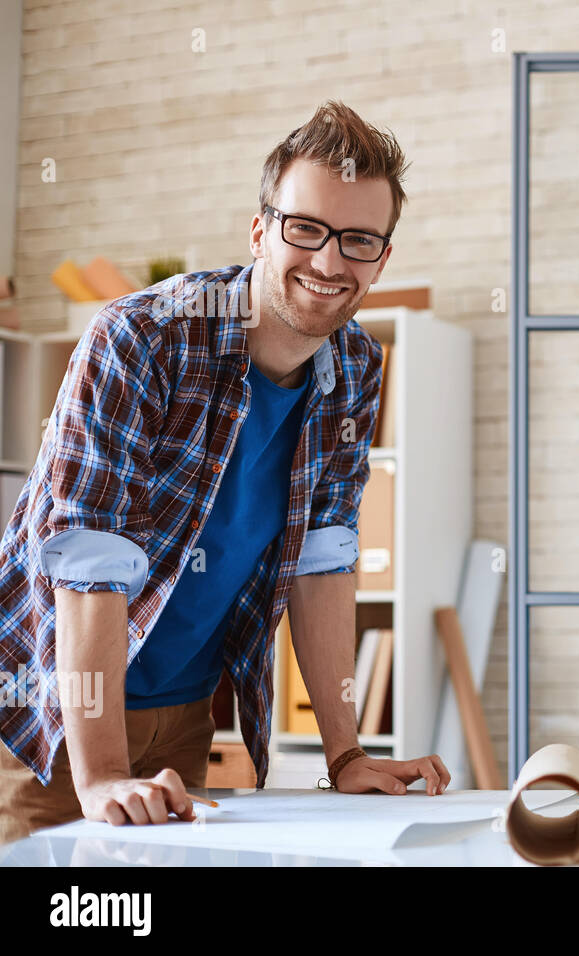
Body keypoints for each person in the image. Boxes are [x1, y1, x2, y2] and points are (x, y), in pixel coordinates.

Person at [0, 100, 450, 845]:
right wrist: (103, 772)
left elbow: (324, 558)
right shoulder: (142, 339)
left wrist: (345, 755)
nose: (330, 262)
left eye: (359, 240)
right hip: (43, 717)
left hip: (182, 714)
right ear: (260, 230)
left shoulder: (357, 367)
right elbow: (89, 559)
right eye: (306, 229)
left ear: (382, 257)